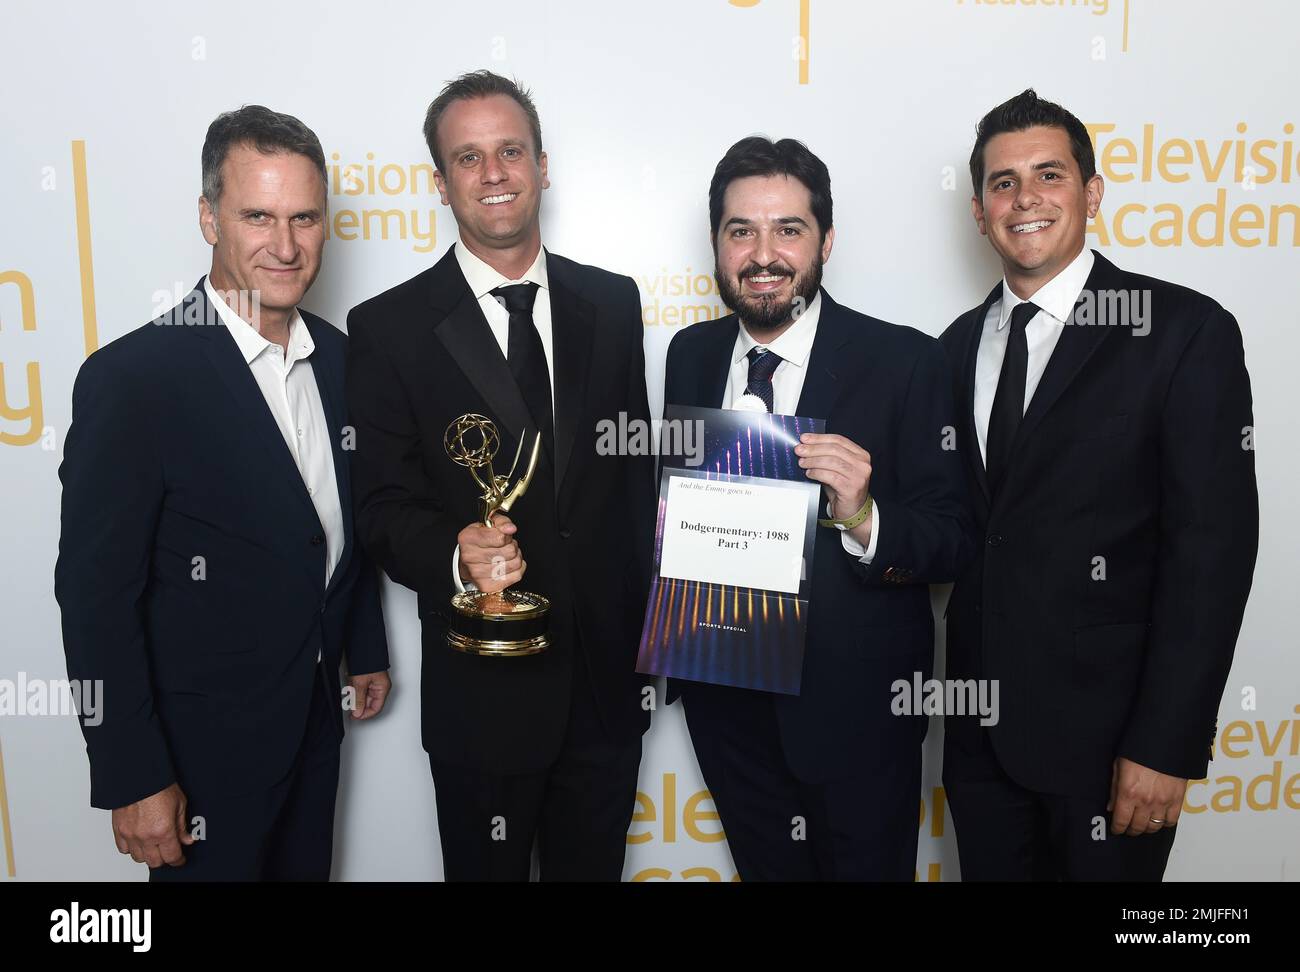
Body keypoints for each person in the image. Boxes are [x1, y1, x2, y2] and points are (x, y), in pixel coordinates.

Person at [56, 105, 390, 881]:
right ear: (209, 218)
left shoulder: (342, 361)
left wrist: (361, 644)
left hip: (313, 730)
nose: (284, 245)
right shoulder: (134, 380)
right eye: (258, 216)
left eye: (304, 217)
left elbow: (336, 521)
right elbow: (95, 597)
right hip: (194, 759)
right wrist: (132, 774)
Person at [940, 89, 1259, 880]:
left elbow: (1211, 553)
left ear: (1091, 191)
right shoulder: (949, 350)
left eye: (1049, 174)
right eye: (1002, 182)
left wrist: (1166, 743)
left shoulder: (1183, 331)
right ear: (979, 211)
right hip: (981, 752)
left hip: (1115, 750)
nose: (1026, 199)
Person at [346, 71, 655, 881]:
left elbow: (630, 487)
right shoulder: (386, 328)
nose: (494, 173)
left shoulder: (613, 304)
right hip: (484, 692)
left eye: (510, 151)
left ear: (543, 165)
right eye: (469, 157)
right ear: (440, 181)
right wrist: (455, 555)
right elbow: (378, 507)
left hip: (604, 688)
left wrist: (660, 640)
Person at [662, 136, 972, 880]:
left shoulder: (906, 361)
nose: (763, 254)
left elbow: (954, 538)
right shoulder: (690, 353)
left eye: (788, 230)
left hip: (857, 718)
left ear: (825, 241)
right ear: (717, 243)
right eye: (742, 231)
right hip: (727, 706)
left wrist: (865, 514)